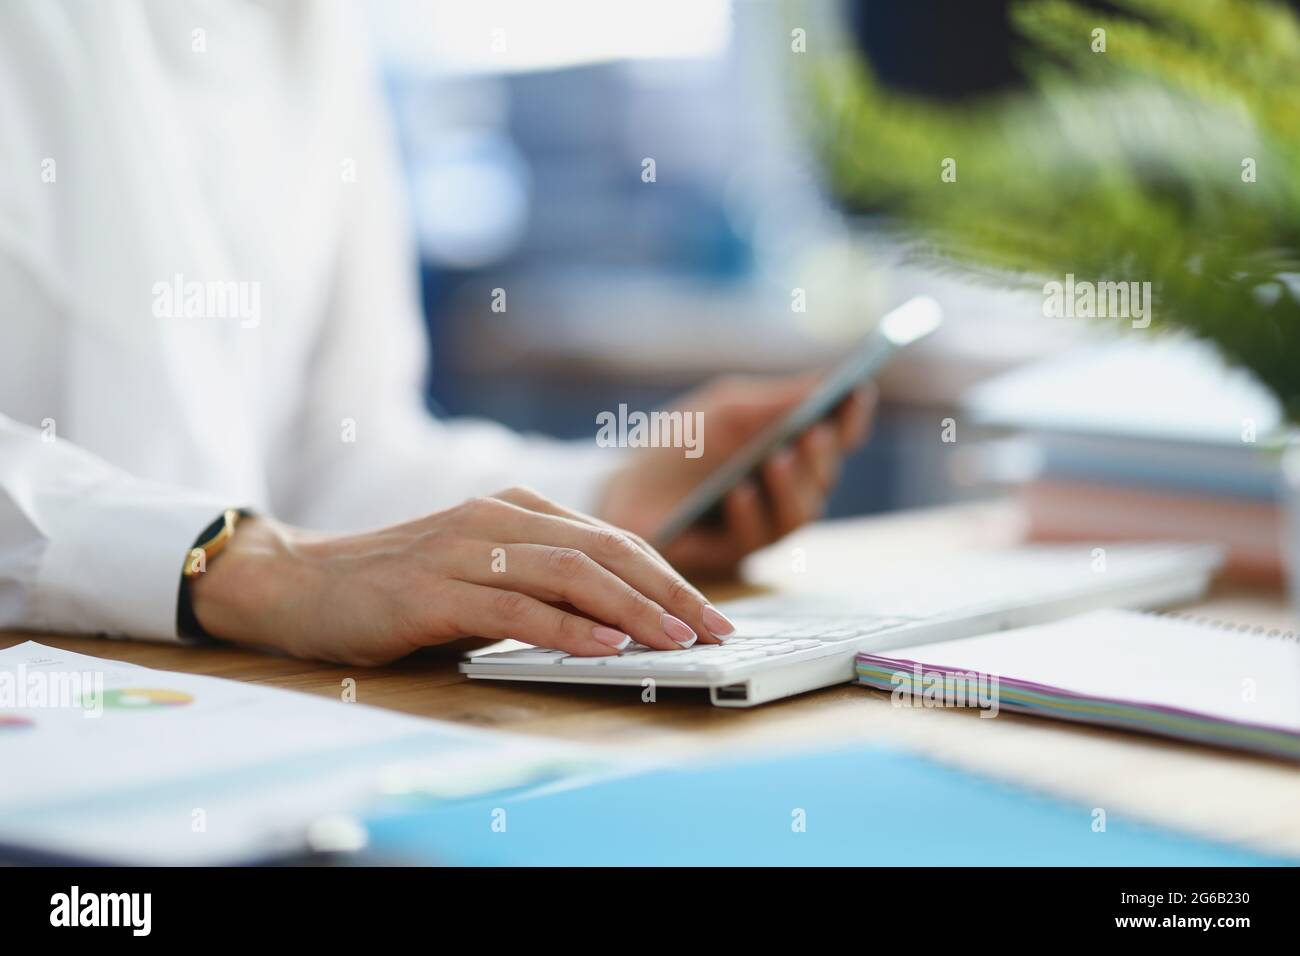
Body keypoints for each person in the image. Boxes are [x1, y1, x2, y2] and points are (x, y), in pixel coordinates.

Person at [0, 0, 871, 666]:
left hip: (215, 708)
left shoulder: (318, 31)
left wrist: (610, 501)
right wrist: (241, 568)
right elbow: (293, 563)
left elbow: (340, 460)